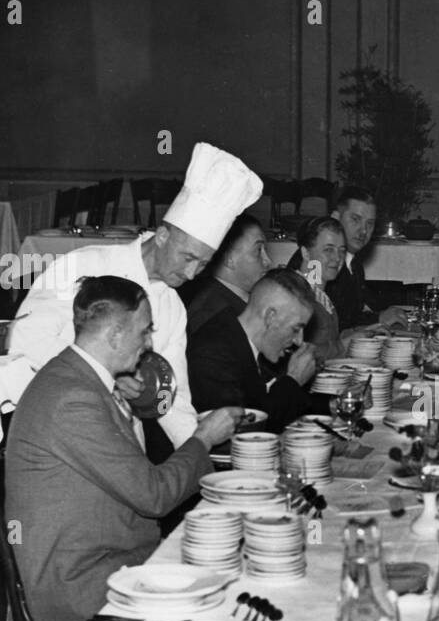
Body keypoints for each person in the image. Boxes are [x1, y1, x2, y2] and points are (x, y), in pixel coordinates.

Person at [4, 276, 239, 621]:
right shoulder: (73, 400)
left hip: (103, 559)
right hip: (78, 585)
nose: (148, 344)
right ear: (114, 335)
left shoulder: (77, 378)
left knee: (223, 568)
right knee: (223, 602)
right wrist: (203, 439)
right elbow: (155, 495)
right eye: (144, 331)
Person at [8, 142, 261, 451]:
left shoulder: (172, 308)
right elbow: (25, 338)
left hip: (121, 443)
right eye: (188, 258)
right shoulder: (84, 264)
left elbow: (172, 397)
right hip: (56, 429)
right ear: (163, 236)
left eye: (204, 264)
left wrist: (200, 452)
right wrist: (107, 374)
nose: (193, 273)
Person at [188, 268, 331, 432]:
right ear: (270, 317)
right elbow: (246, 431)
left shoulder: (244, 341)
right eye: (295, 329)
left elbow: (266, 404)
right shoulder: (213, 353)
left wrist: (332, 404)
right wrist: (293, 381)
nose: (298, 341)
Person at [183, 213, 272, 336]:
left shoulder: (248, 299)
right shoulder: (211, 315)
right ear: (229, 259)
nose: (268, 261)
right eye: (258, 250)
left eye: (265, 250)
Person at [287, 215, 346, 360]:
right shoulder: (296, 296)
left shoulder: (320, 294)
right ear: (306, 253)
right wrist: (344, 345)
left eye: (342, 250)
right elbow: (295, 354)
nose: (337, 258)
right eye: (328, 250)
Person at [325, 185, 379, 331]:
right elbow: (316, 319)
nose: (363, 231)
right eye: (355, 219)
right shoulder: (315, 259)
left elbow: (354, 312)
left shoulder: (355, 264)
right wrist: (378, 318)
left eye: (370, 224)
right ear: (336, 218)